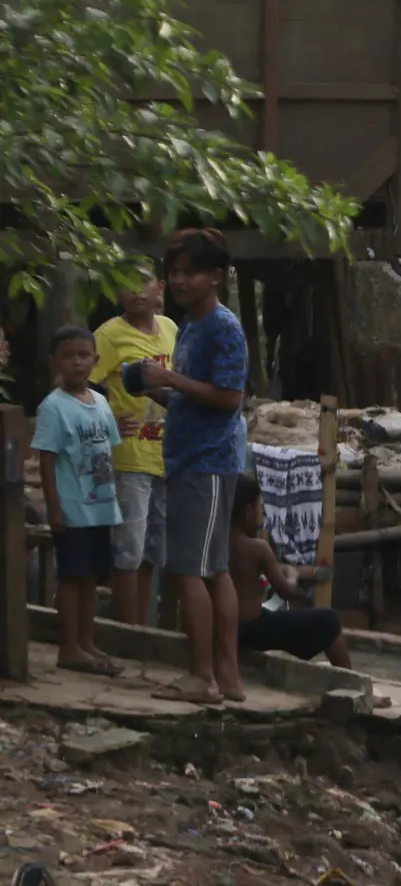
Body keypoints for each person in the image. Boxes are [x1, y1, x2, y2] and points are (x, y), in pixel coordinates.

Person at [139, 229, 249, 705]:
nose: (180, 281)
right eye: (175, 272)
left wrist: (170, 377)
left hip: (206, 461)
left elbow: (229, 398)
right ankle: (228, 678)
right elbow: (194, 396)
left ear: (216, 276)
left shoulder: (223, 327)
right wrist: (156, 388)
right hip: (191, 457)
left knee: (189, 569)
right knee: (213, 569)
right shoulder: (190, 323)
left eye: (190, 272)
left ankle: (202, 677)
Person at [31, 327, 123, 675]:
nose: (77, 362)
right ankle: (69, 646)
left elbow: (108, 453)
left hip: (100, 506)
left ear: (95, 360)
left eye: (84, 355)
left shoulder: (101, 402)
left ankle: (86, 641)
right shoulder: (53, 407)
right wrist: (54, 507)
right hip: (72, 509)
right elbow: (47, 459)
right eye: (68, 356)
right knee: (71, 577)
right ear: (54, 362)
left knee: (91, 577)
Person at [91, 263, 177, 626]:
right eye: (126, 283)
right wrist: (105, 420)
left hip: (167, 457)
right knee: (128, 551)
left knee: (153, 552)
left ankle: (143, 630)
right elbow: (75, 384)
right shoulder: (109, 334)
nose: (136, 290)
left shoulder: (171, 328)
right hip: (128, 458)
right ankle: (127, 634)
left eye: (143, 281)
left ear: (160, 287)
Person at [229, 475, 351, 668]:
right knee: (329, 620)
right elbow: (287, 591)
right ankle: (349, 678)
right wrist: (292, 574)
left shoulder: (214, 544)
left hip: (227, 627)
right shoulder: (257, 548)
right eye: (257, 507)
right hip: (253, 631)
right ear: (247, 511)